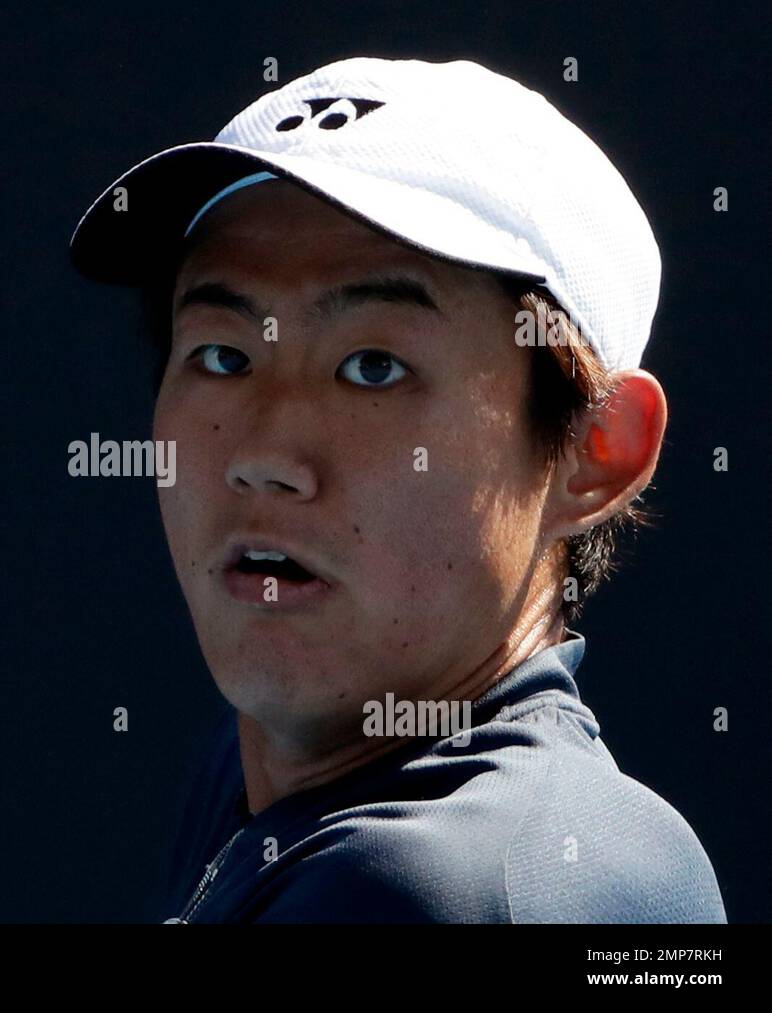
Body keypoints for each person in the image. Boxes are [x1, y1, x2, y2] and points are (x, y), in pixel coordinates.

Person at [69, 56, 725, 923]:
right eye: (224, 356)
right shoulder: (260, 779)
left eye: (372, 368)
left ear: (596, 450)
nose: (265, 455)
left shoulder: (416, 887)